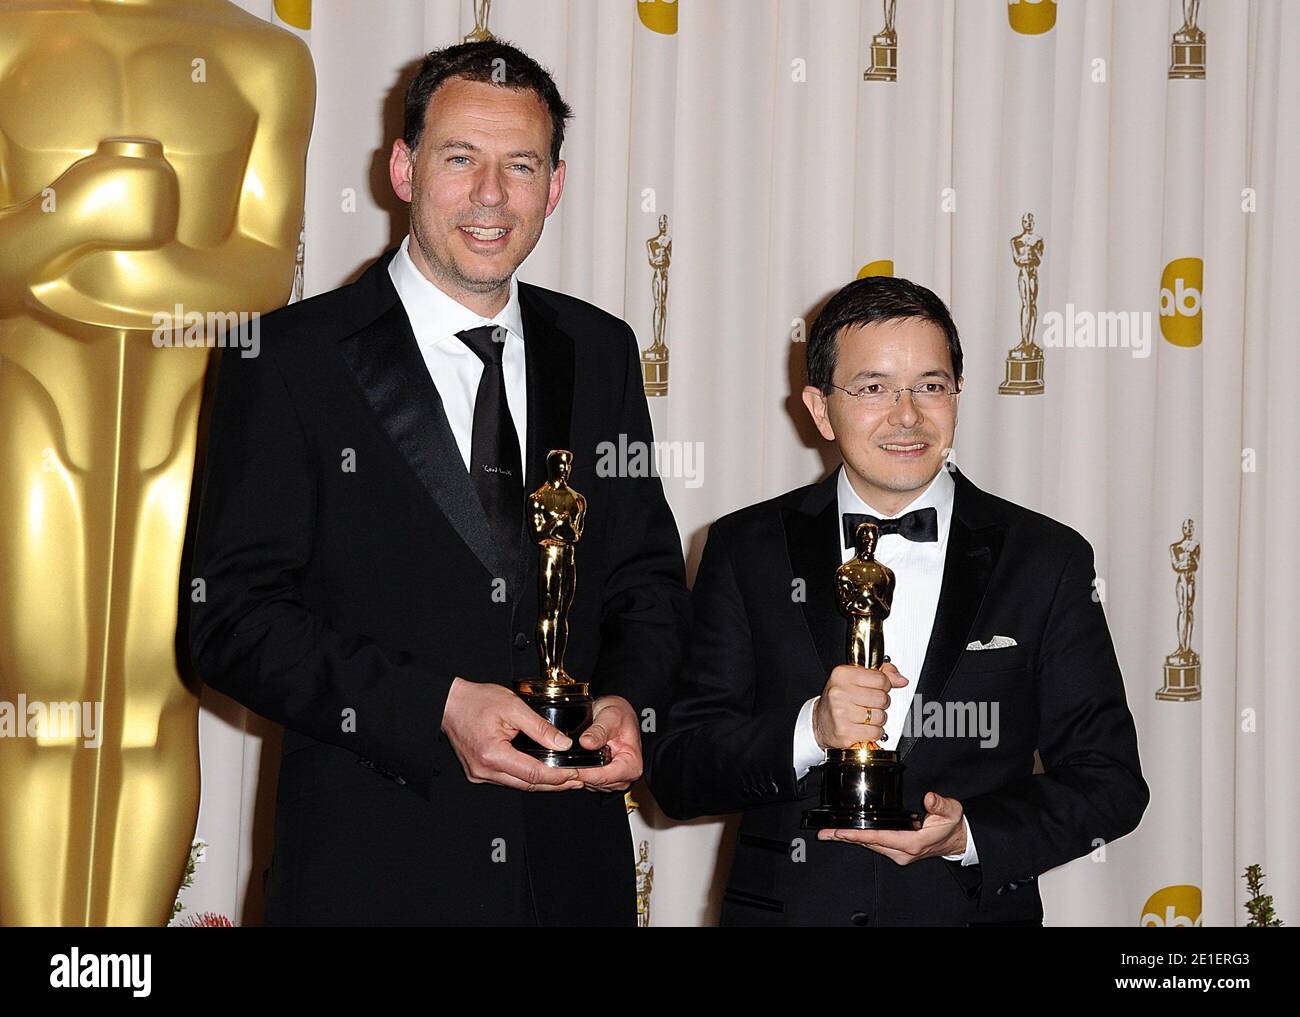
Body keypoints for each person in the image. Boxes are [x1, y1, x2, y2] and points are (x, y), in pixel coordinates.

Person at [189, 39, 689, 926]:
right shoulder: (289, 357)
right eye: (460, 158)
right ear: (403, 169)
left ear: (556, 186)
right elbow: (227, 619)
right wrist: (436, 708)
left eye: (520, 165)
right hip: (373, 869)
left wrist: (626, 700)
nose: (491, 195)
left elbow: (645, 578)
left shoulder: (602, 349)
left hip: (570, 878)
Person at [650, 276, 1148, 926]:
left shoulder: (1047, 559)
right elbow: (680, 770)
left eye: (931, 385)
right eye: (873, 387)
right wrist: (810, 730)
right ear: (820, 407)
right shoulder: (746, 548)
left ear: (958, 397)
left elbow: (1109, 782)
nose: (907, 414)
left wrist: (969, 833)